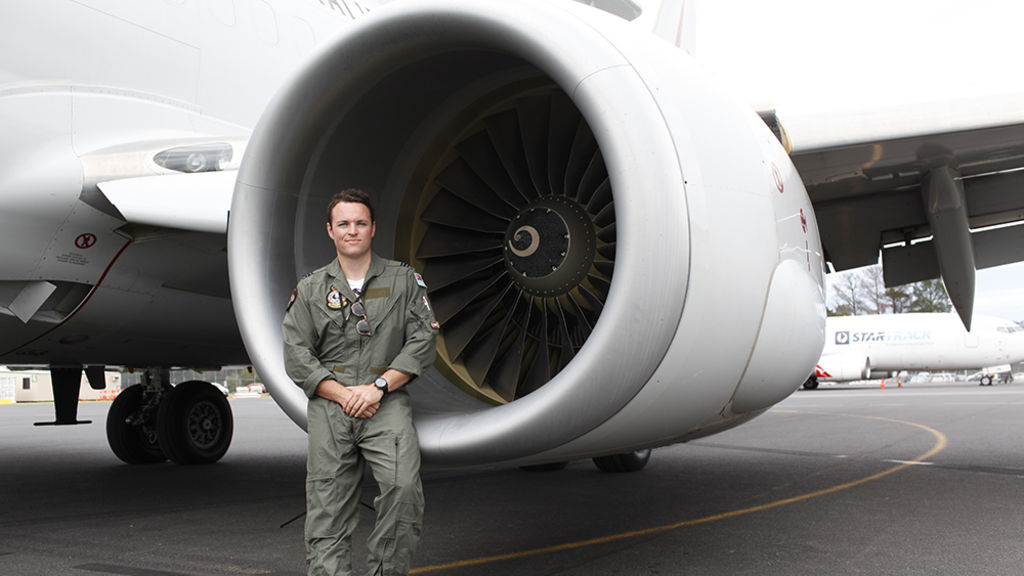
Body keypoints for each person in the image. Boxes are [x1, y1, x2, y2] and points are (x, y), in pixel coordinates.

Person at [282, 188, 438, 576]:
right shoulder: (311, 288)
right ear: (330, 230)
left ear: (373, 229)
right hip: (331, 406)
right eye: (343, 224)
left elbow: (422, 340)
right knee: (327, 509)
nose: (352, 231)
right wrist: (342, 395)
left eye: (360, 223)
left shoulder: (404, 281)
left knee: (404, 491)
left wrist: (377, 388)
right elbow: (297, 354)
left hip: (385, 401)